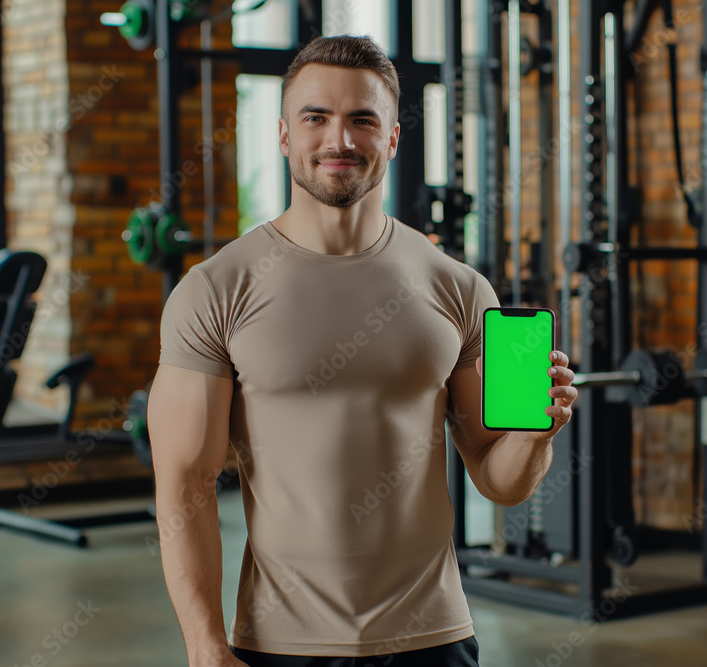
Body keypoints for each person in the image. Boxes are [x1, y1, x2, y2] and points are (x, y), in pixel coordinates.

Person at [147, 35, 578, 667]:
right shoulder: (216, 290)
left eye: (362, 120)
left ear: (393, 138)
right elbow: (186, 484)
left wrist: (538, 430)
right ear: (285, 135)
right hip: (280, 642)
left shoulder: (457, 286)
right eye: (316, 118)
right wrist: (205, 646)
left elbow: (500, 479)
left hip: (434, 637)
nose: (339, 141)